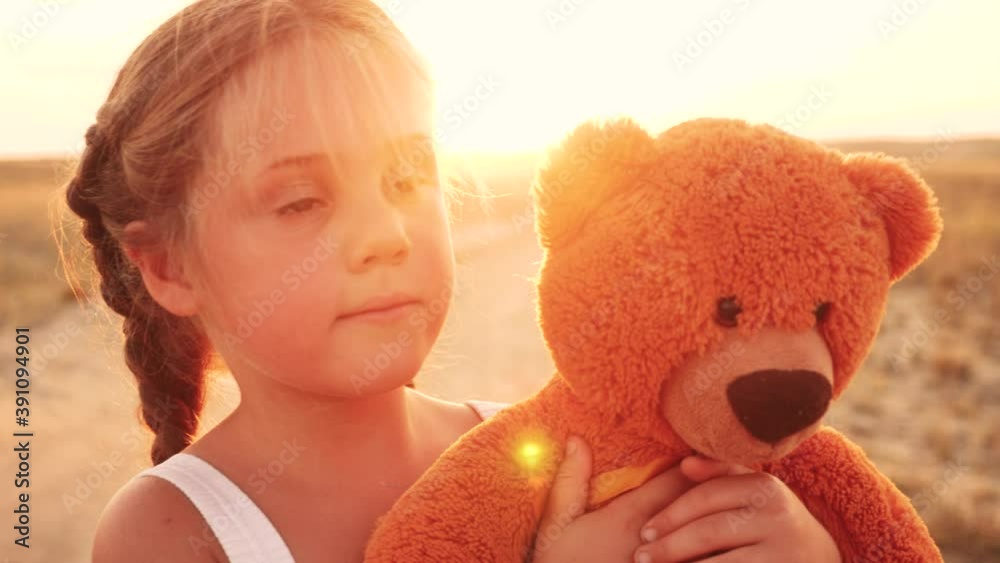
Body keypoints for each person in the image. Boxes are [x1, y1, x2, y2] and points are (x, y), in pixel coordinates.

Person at [63, 1, 841, 561]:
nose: (386, 234)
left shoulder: (551, 452)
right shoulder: (174, 530)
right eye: (301, 199)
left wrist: (807, 548)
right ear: (168, 265)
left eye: (407, 178)